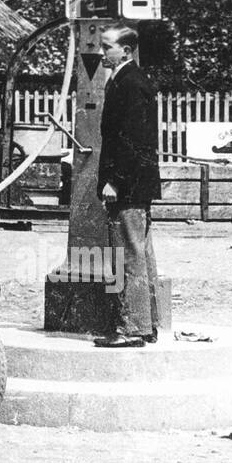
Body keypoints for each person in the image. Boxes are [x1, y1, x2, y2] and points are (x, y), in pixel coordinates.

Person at [94, 24, 163, 348]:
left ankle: (130, 329)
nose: (101, 52)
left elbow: (133, 141)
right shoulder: (128, 80)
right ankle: (146, 325)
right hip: (137, 185)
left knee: (127, 257)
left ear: (126, 49)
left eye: (107, 46)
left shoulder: (131, 84)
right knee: (141, 255)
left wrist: (114, 182)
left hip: (128, 186)